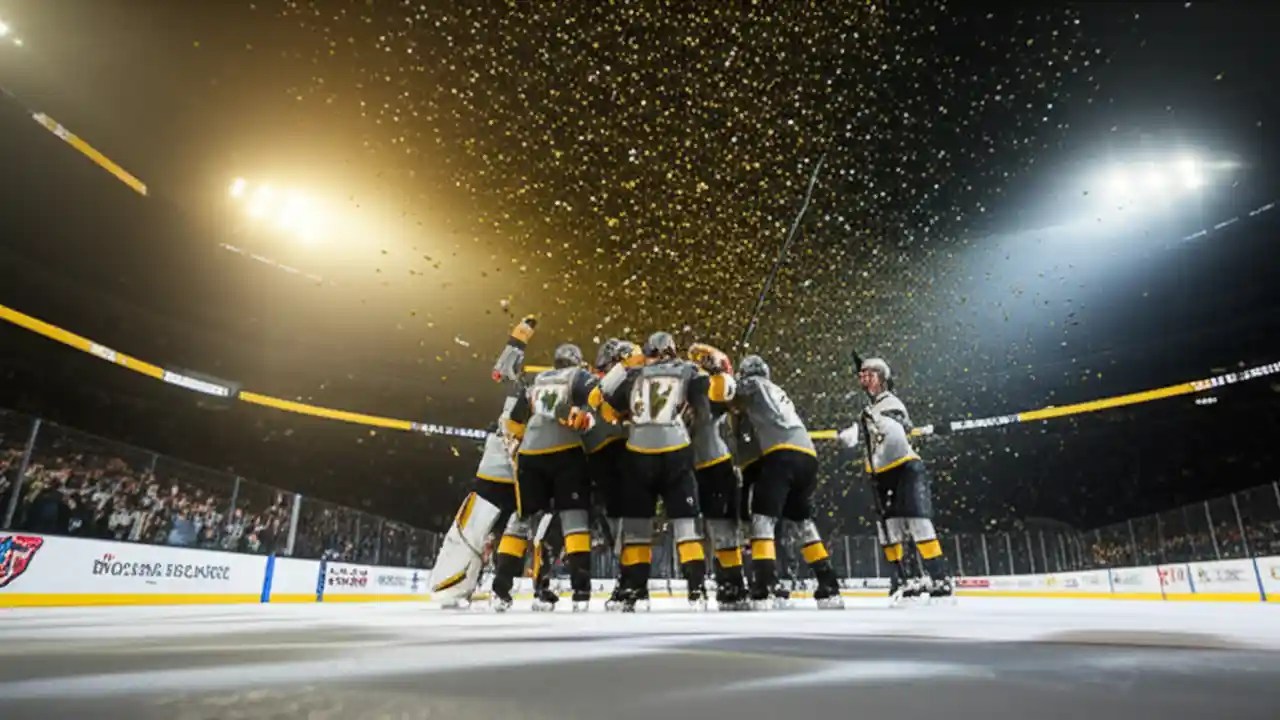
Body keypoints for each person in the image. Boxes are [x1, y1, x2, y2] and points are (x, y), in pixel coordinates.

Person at [597, 331, 714, 611]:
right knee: (686, 524)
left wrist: (625, 368)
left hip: (638, 452)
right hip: (676, 449)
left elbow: (603, 399)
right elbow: (707, 401)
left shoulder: (633, 372)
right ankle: (696, 589)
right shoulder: (688, 370)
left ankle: (634, 589)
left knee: (637, 527)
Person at [731, 355, 844, 609]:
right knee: (802, 521)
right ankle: (828, 582)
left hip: (781, 454)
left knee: (762, 518)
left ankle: (765, 584)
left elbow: (730, 393)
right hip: (806, 455)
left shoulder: (753, 385)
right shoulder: (776, 389)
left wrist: (723, 375)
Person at [491, 343, 597, 612]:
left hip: (530, 453)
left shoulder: (537, 380)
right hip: (565, 451)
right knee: (574, 520)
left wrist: (516, 442)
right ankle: (580, 591)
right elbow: (594, 400)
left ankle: (501, 588)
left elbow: (514, 422)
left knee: (521, 520)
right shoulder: (579, 376)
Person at [838, 357, 952, 600]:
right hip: (882, 474)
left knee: (917, 522)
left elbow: (894, 432)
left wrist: (862, 430)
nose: (864, 380)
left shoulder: (890, 403)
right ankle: (904, 578)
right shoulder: (871, 408)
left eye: (869, 374)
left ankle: (939, 576)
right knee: (889, 529)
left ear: (881, 377)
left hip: (903, 469)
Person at [686, 343, 750, 610]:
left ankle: (732, 582)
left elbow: (727, 396)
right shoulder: (691, 384)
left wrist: (717, 373)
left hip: (712, 464)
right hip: (691, 466)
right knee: (700, 531)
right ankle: (720, 581)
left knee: (721, 529)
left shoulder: (709, 387)